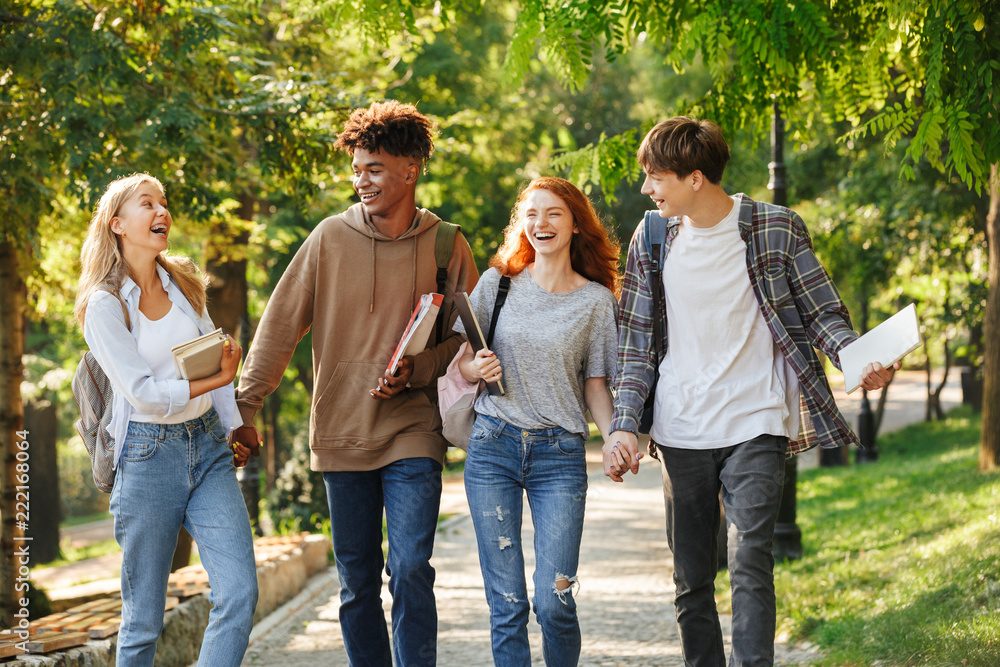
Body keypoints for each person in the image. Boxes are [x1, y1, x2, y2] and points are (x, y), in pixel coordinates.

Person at [605, 117, 898, 666]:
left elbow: (822, 313)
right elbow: (636, 342)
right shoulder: (652, 238)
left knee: (749, 557)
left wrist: (859, 362)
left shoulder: (775, 228)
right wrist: (624, 423)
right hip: (681, 426)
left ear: (695, 178)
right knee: (692, 577)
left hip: (756, 418)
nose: (647, 189)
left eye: (656, 176)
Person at [230, 100, 478, 666]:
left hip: (414, 428)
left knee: (411, 566)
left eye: (373, 168)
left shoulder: (447, 245)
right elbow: (281, 325)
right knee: (357, 581)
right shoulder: (327, 238)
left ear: (409, 169)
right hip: (341, 430)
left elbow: (471, 343)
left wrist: (416, 369)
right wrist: (247, 403)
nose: (360, 180)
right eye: (356, 169)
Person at [74, 173, 258, 666]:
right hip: (146, 455)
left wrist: (235, 422)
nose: (162, 212)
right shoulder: (104, 305)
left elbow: (209, 360)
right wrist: (218, 375)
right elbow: (144, 394)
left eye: (164, 203)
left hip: (208, 450)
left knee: (239, 593)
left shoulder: (182, 283)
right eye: (147, 204)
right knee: (143, 620)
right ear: (117, 224)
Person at [455, 176, 620, 666]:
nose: (540, 224)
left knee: (555, 602)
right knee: (507, 606)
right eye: (531, 214)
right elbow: (463, 362)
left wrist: (614, 439)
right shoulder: (496, 285)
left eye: (553, 213)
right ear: (520, 223)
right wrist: (474, 368)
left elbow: (596, 385)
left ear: (574, 224)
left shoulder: (595, 302)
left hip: (560, 455)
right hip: (493, 446)